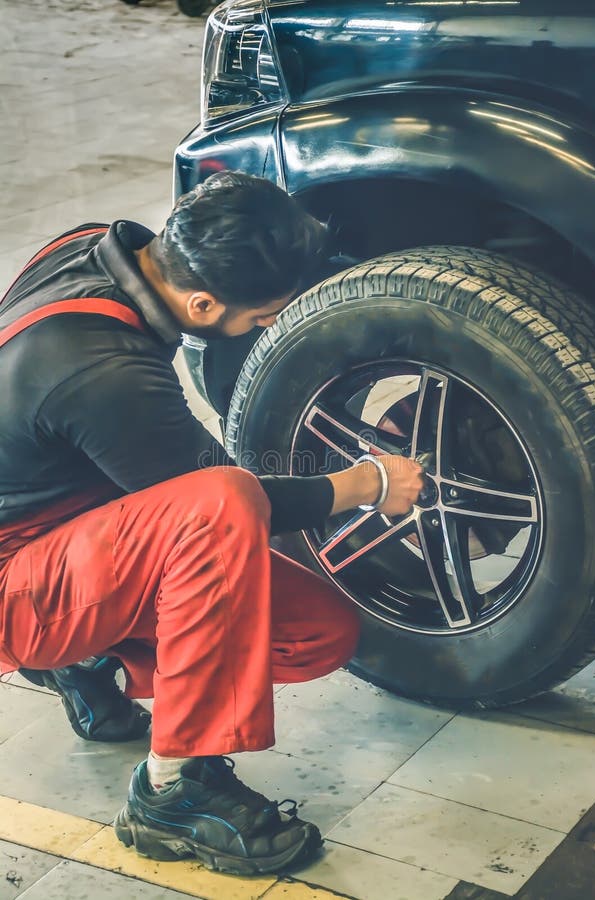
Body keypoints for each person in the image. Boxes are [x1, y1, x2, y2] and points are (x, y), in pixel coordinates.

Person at [0, 172, 424, 875]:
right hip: (14, 580)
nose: (264, 328)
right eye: (260, 318)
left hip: (68, 525)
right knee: (220, 503)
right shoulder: (102, 370)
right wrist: (366, 484)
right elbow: (235, 501)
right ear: (200, 302)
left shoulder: (93, 249)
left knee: (316, 632)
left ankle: (86, 659)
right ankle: (173, 792)